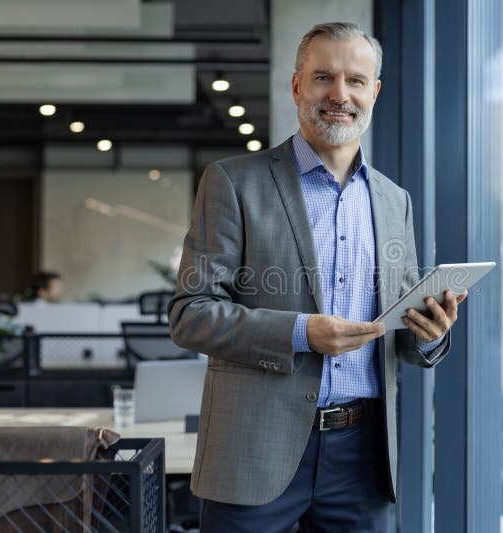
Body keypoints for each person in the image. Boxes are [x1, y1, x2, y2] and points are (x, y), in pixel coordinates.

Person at [168, 22, 466, 532]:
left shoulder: (395, 201)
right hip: (253, 449)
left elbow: (402, 331)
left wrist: (432, 335)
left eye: (355, 80)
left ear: (374, 92)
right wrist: (301, 333)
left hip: (363, 458)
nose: (339, 95)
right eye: (323, 77)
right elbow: (190, 315)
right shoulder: (234, 182)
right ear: (297, 86)